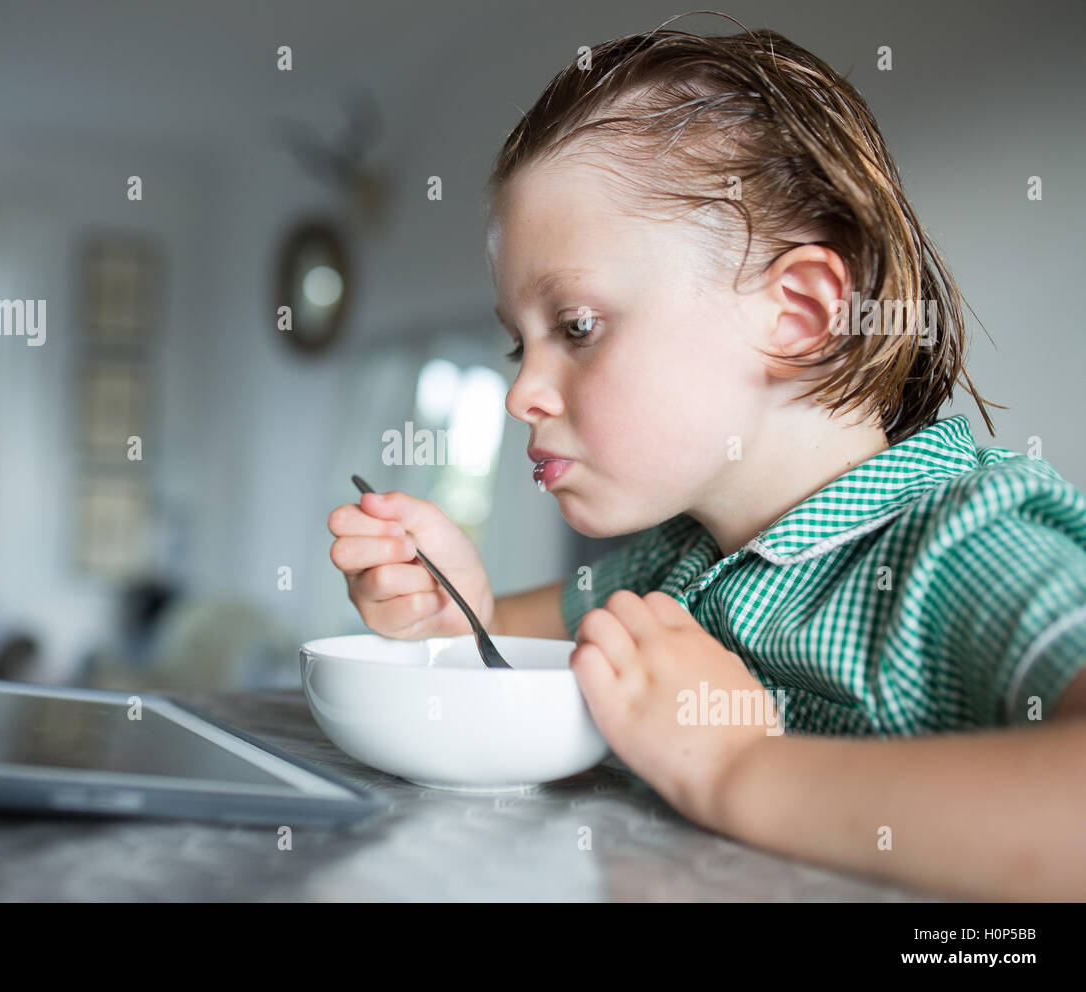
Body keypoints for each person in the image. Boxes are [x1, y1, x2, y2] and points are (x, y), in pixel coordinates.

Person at [327, 16, 1086, 900]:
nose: (521, 393)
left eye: (576, 327)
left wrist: (738, 769)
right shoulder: (673, 567)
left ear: (797, 315)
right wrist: (446, 610)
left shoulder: (966, 551)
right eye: (516, 347)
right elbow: (492, 641)